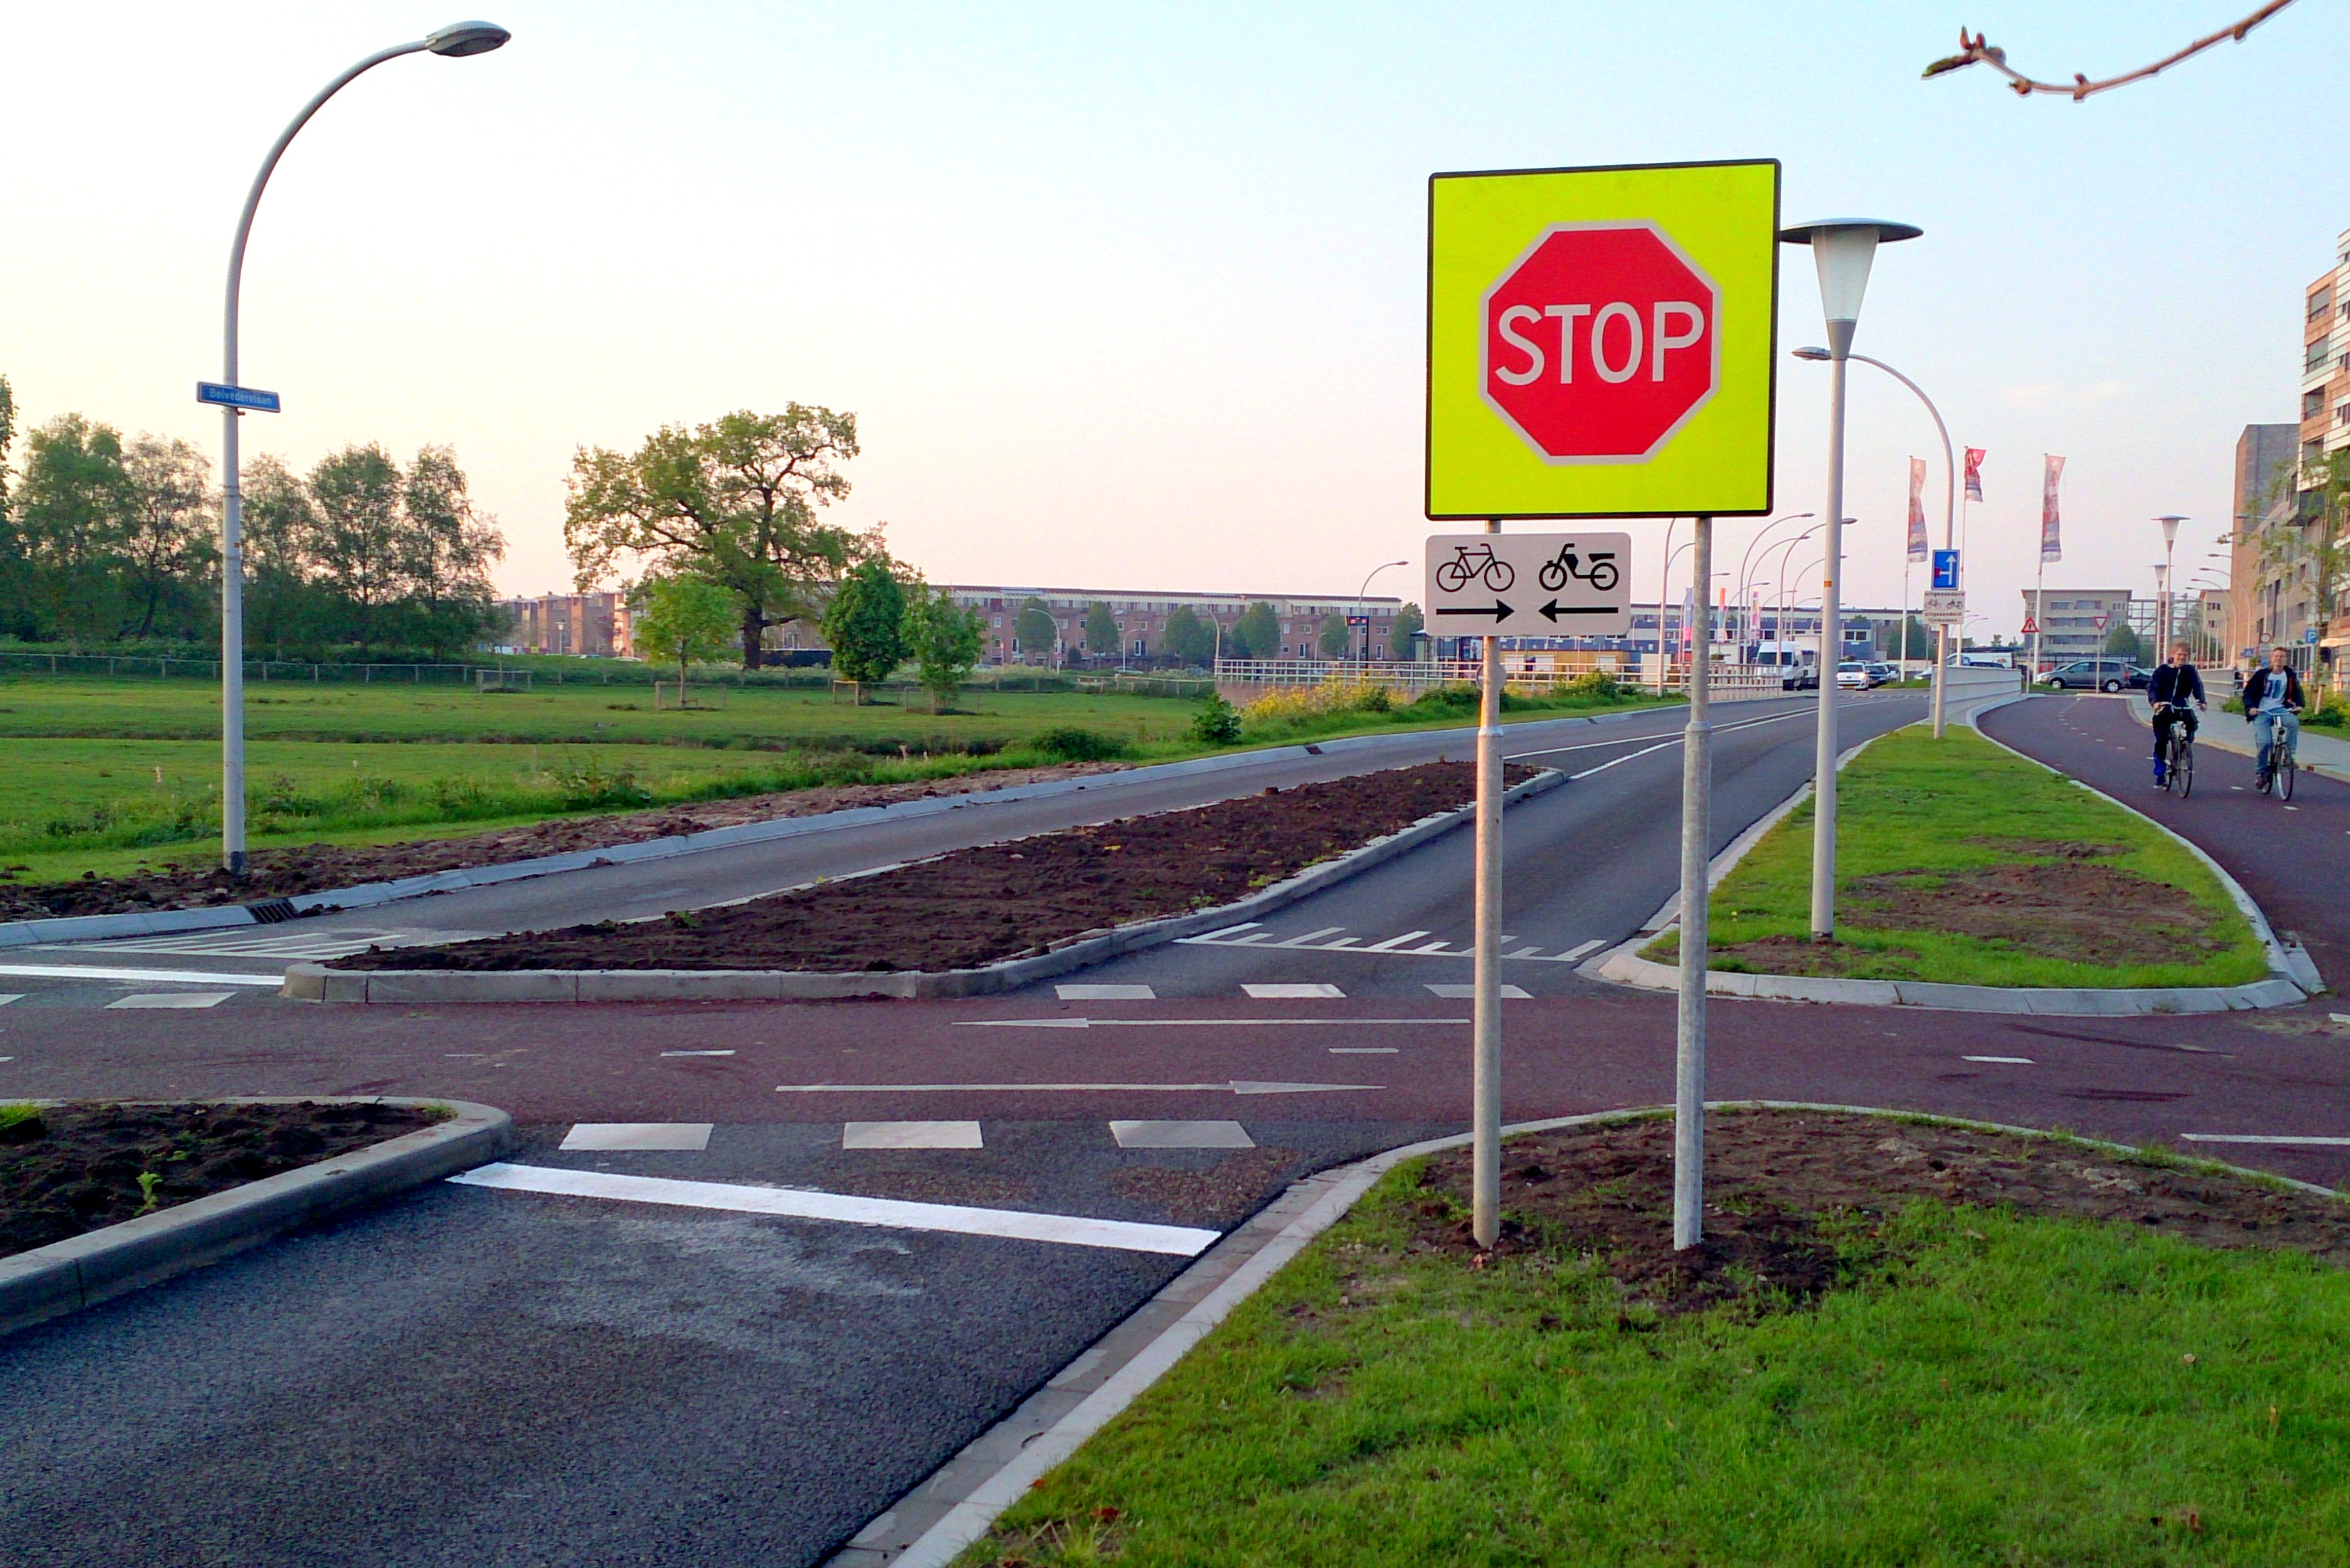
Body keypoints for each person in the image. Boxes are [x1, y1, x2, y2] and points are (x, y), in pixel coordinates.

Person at [2243, 645, 2305, 787]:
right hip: (2262, 711)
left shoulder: (2289, 675)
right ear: (2271, 658)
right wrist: (2251, 708)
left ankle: (2289, 756)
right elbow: (2248, 692)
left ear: (2286, 659)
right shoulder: (2262, 675)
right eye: (2276, 656)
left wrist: (2299, 705)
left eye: (2282, 657)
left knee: (2293, 723)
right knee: (2265, 742)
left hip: (2280, 709)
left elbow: (2297, 691)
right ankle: (2261, 772)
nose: (2279, 659)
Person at [2148, 642, 2205, 786]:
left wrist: (2201, 701)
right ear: (2173, 655)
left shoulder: (2189, 671)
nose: (2182, 658)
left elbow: (2197, 685)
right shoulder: (2163, 670)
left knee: (2192, 723)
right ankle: (2160, 771)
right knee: (2161, 738)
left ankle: (2184, 748)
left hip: (2181, 704)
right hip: (2164, 705)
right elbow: (2153, 687)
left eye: (2185, 655)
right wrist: (2155, 702)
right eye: (2179, 654)